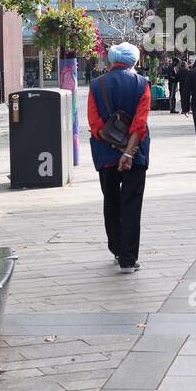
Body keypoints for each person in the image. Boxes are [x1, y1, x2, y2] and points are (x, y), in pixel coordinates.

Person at [87, 43, 151, 273]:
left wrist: (114, 145)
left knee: (111, 201)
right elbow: (140, 122)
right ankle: (128, 258)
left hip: (106, 153)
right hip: (136, 153)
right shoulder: (142, 84)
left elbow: (95, 125)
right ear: (134, 61)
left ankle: (116, 248)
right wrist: (128, 150)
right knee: (132, 203)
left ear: (112, 60)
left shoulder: (96, 85)